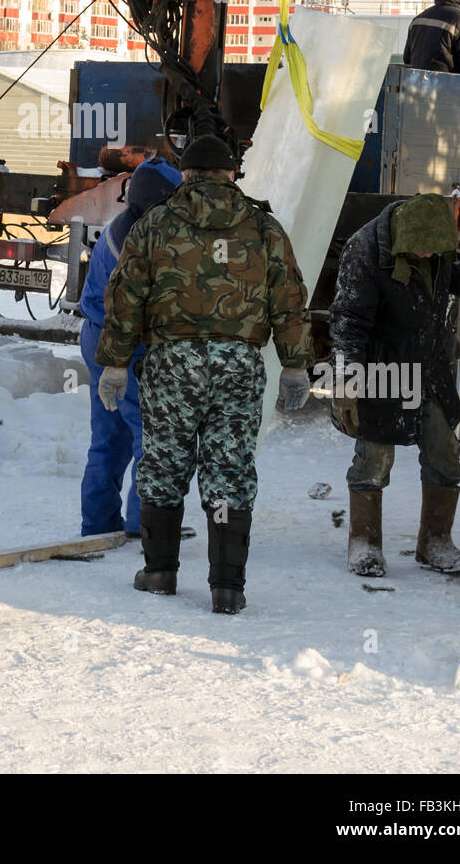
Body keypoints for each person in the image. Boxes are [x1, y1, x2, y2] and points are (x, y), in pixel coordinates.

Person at [94, 135, 313, 614]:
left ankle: (158, 573)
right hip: (238, 364)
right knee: (229, 469)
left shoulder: (154, 224)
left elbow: (125, 298)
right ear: (232, 173)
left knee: (164, 462)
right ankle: (227, 587)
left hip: (172, 362)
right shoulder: (263, 227)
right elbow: (289, 301)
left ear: (186, 174)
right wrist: (295, 364)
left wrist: (113, 362)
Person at [329, 192, 460, 579]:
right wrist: (346, 382)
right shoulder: (365, 251)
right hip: (380, 369)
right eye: (420, 252)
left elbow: (442, 277)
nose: (428, 257)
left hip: (427, 366)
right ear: (405, 238)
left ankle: (434, 542)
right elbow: (348, 322)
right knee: (373, 459)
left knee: (444, 451)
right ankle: (365, 543)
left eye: (433, 252)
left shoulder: (431, 243)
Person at [79, 157, 183, 538]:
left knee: (108, 438)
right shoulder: (139, 241)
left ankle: (99, 523)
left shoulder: (124, 227)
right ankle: (146, 525)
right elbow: (136, 309)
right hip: (124, 348)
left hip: (98, 340)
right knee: (149, 435)